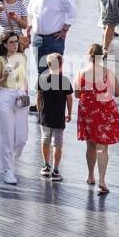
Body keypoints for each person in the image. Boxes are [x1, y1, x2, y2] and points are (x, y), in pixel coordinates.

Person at [76, 43, 119, 194]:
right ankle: (102, 180)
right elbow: (118, 93)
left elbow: (77, 94)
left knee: (90, 145)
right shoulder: (108, 72)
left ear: (88, 56)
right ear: (102, 57)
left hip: (88, 110)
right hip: (105, 109)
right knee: (102, 147)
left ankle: (90, 175)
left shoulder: (81, 73)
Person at [0, 31, 29, 186]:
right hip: (5, 97)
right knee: (7, 135)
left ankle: (8, 161)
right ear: (5, 45)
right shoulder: (0, 60)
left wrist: (26, 93)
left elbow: (24, 77)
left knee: (21, 137)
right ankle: (8, 169)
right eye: (11, 42)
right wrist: (5, 77)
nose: (15, 45)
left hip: (20, 96)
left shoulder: (23, 58)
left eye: (16, 42)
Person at [30, 0, 75, 75]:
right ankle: (42, 92)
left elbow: (72, 9)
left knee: (55, 72)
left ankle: (56, 92)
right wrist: (27, 31)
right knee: (40, 71)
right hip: (37, 38)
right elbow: (30, 12)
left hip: (54, 39)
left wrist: (65, 30)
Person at [35, 53, 74, 181]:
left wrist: (38, 109)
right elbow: (69, 98)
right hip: (59, 116)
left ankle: (46, 166)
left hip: (45, 115)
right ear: (61, 65)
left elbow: (38, 95)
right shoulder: (65, 81)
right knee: (57, 143)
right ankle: (56, 170)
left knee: (45, 139)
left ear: (48, 65)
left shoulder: (42, 79)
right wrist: (69, 112)